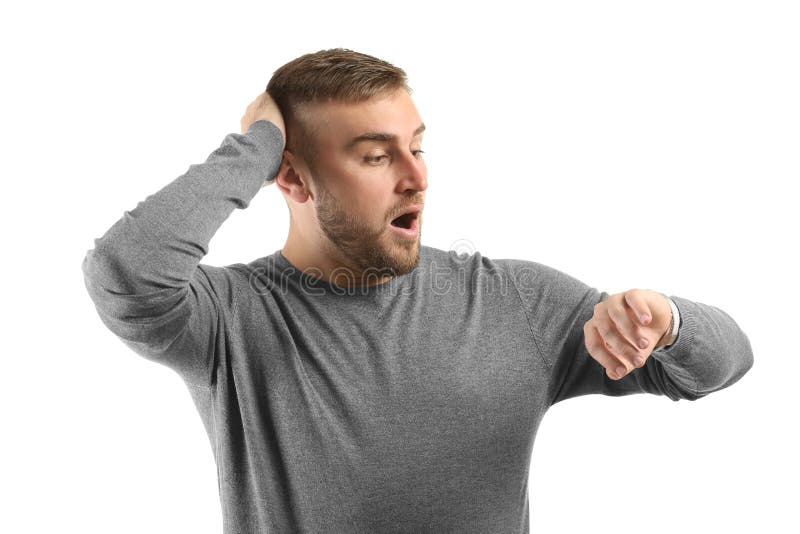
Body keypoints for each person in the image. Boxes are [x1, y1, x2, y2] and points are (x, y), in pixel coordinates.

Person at [81, 48, 754, 534]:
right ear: (292, 179)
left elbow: (724, 364)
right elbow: (124, 270)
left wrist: (666, 322)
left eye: (418, 148)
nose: (416, 177)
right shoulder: (230, 319)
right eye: (377, 156)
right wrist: (254, 146)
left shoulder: (512, 303)